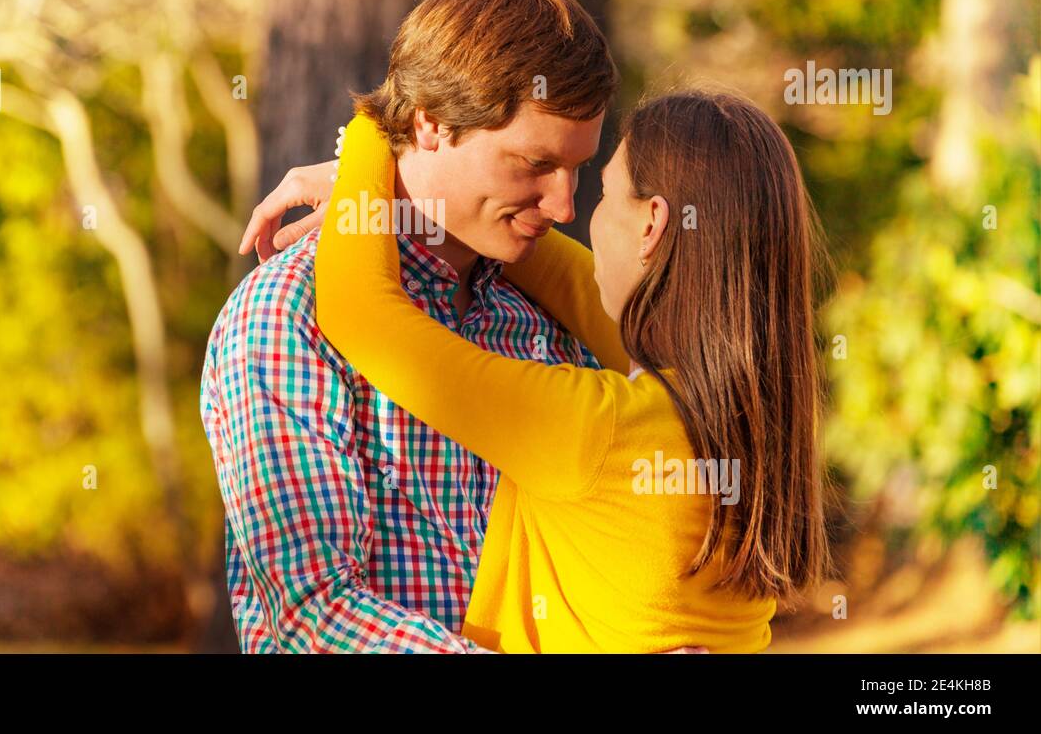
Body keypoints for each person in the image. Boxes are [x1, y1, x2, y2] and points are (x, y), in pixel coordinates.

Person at [259, 91, 831, 652]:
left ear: (653, 224)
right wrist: (415, 197)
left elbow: (363, 316)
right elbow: (565, 278)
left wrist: (375, 133)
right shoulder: (747, 410)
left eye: (603, 193)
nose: (570, 213)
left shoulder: (604, 426)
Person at [200, 0, 622, 652]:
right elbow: (314, 612)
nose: (564, 205)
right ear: (429, 123)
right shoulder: (288, 315)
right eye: (531, 165)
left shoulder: (553, 318)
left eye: (577, 169)